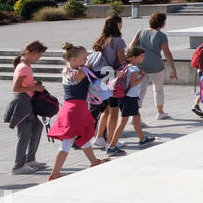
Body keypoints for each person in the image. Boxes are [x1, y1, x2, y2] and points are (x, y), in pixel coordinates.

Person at [47, 42, 111, 181]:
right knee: (67, 142)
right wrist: (114, 73)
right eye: (84, 58)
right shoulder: (81, 72)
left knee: (83, 137)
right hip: (76, 109)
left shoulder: (66, 70)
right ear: (73, 59)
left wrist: (86, 67)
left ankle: (94, 162)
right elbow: (95, 74)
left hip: (70, 107)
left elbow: (88, 71)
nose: (86, 60)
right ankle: (55, 173)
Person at [6, 40, 49, 174]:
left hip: (25, 102)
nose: (39, 58)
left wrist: (34, 85)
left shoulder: (24, 66)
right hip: (22, 102)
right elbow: (16, 88)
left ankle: (30, 160)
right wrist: (35, 87)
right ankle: (18, 166)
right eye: (38, 55)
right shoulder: (24, 67)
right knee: (24, 134)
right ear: (28, 52)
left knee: (37, 127)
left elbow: (23, 85)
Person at [107, 46, 157, 150]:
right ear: (133, 57)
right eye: (141, 56)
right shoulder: (134, 68)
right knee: (123, 122)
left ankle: (142, 139)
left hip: (124, 97)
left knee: (136, 117)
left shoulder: (127, 66)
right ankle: (111, 147)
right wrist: (143, 77)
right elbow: (133, 84)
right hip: (130, 98)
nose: (143, 58)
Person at [88, 16, 126, 149]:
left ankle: (99, 137)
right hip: (112, 77)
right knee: (114, 110)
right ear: (118, 24)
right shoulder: (118, 41)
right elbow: (121, 61)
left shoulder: (101, 40)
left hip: (101, 77)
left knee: (106, 108)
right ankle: (111, 141)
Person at [134, 12, 178, 121]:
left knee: (140, 90)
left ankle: (135, 114)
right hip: (156, 66)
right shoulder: (162, 36)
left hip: (141, 65)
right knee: (158, 89)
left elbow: (131, 46)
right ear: (162, 23)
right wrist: (173, 69)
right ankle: (160, 112)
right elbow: (167, 53)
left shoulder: (141, 32)